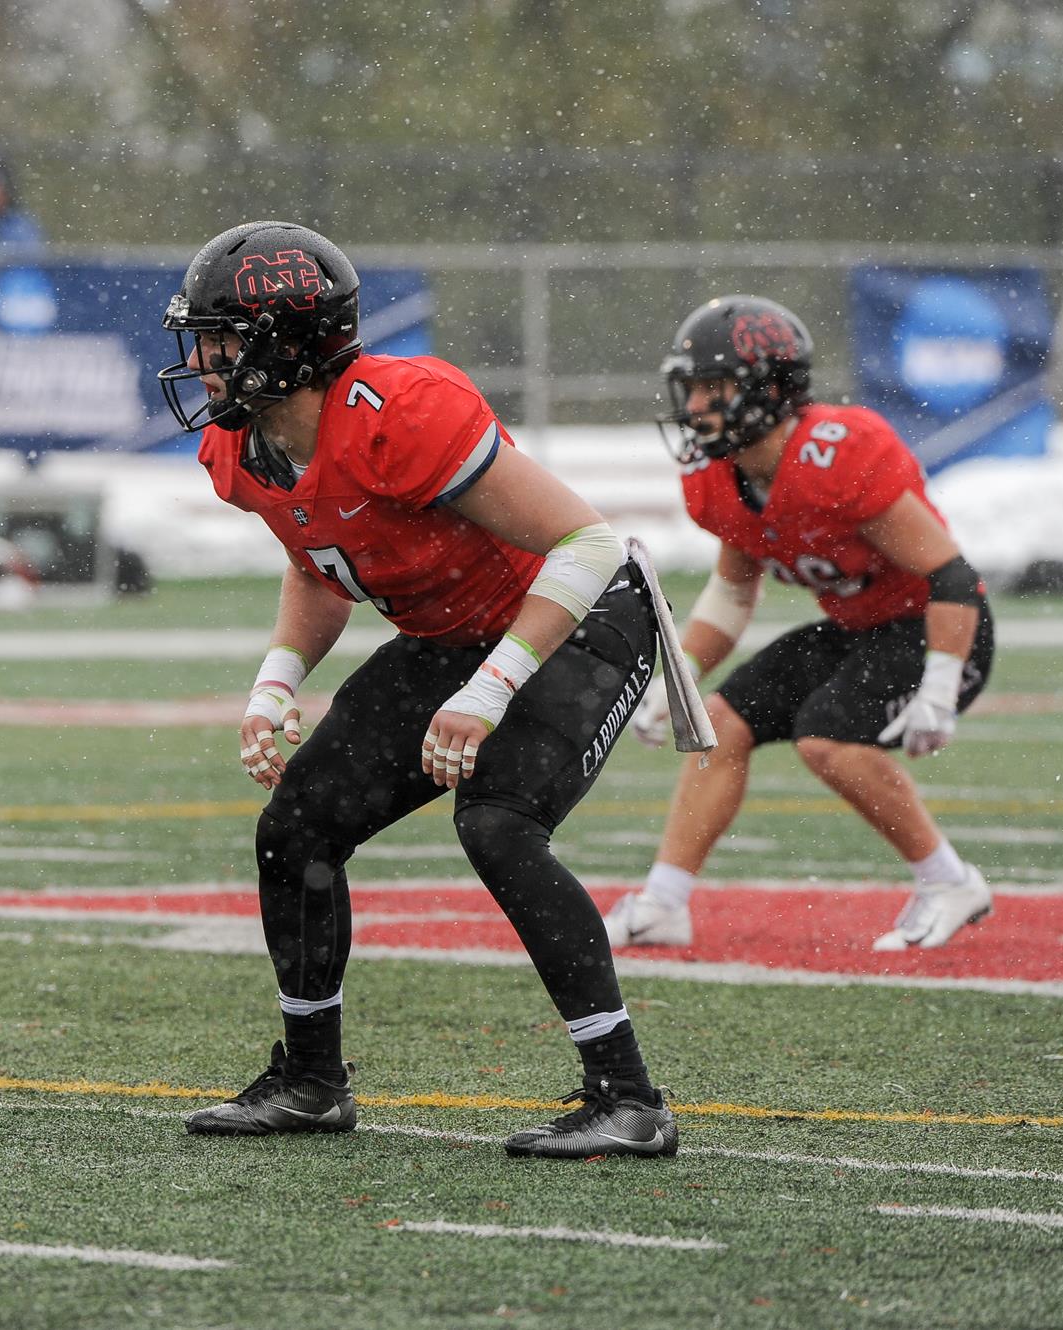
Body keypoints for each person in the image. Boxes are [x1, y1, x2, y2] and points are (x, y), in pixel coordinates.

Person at [159, 221, 703, 1159]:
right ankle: (311, 1081)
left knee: (496, 822)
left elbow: (589, 546)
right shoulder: (243, 452)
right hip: (454, 634)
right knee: (298, 827)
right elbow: (316, 561)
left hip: (578, 613)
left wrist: (490, 690)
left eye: (222, 337)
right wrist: (275, 682)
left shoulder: (397, 412)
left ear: (289, 342)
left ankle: (628, 1097)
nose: (204, 359)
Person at [609, 295, 998, 953]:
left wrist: (939, 684)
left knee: (829, 740)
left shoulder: (838, 455)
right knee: (719, 724)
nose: (697, 405)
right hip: (856, 627)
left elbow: (950, 575)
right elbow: (732, 596)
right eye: (694, 387)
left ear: (766, 389)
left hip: (932, 626)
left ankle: (950, 881)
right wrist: (673, 679)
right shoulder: (721, 478)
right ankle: (663, 904)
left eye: (713, 387)